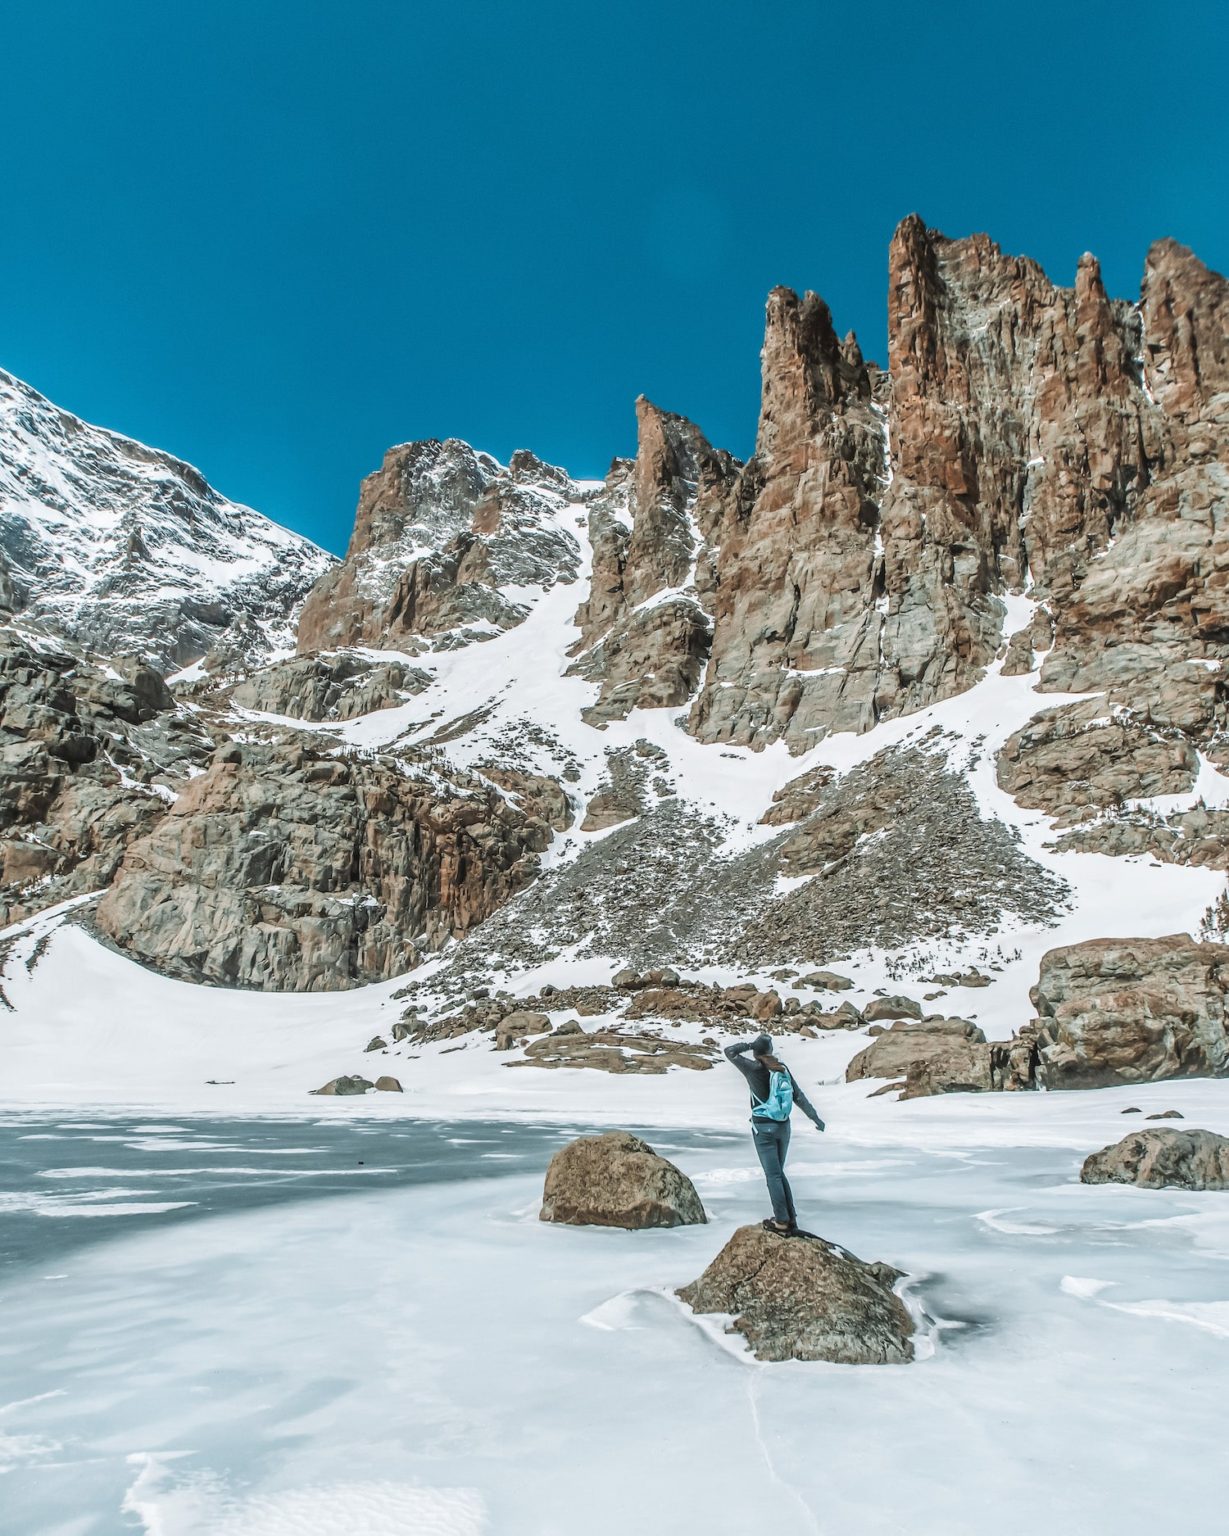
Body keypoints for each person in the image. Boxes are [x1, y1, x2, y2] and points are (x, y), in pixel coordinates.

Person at [724, 1034, 825, 1235]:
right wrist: (815, 1118)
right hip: (783, 1127)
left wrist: (750, 1045)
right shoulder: (781, 1069)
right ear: (770, 1050)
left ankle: (781, 1222)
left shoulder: (753, 1068)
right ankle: (791, 1219)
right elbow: (798, 1096)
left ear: (756, 1052)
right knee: (779, 1173)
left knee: (773, 1175)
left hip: (763, 1129)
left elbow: (730, 1052)